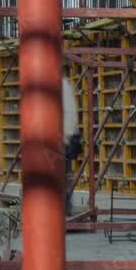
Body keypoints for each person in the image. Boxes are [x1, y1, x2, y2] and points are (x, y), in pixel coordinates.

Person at [62, 77, 83, 216]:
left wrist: (65, 138)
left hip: (63, 138)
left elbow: (69, 113)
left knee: (63, 174)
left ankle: (64, 206)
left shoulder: (61, 84)